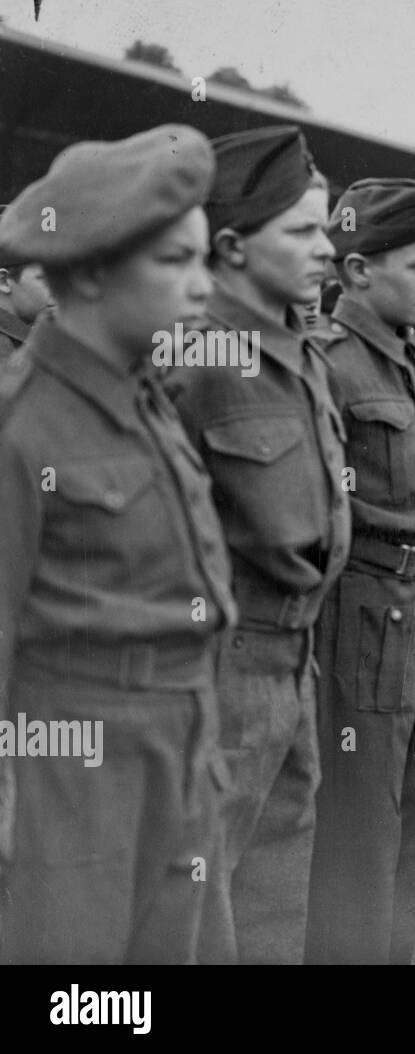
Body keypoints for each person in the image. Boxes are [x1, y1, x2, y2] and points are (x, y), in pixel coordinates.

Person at [0, 124, 236, 963]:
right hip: (75, 761)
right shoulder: (21, 423)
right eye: (176, 262)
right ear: (93, 271)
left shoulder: (144, 397)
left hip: (179, 739)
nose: (204, 289)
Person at [168, 125, 350, 964]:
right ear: (233, 245)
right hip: (221, 661)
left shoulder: (294, 345)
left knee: (276, 883)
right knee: (194, 897)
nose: (326, 247)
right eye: (303, 232)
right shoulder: (190, 351)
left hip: (292, 650)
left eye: (327, 228)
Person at [304, 177, 415, 964]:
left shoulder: (404, 357)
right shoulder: (331, 367)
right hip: (363, 608)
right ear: (359, 271)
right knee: (362, 828)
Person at [0, 214, 52, 361]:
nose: (56, 292)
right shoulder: (6, 350)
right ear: (3, 281)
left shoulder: (21, 339)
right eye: (44, 280)